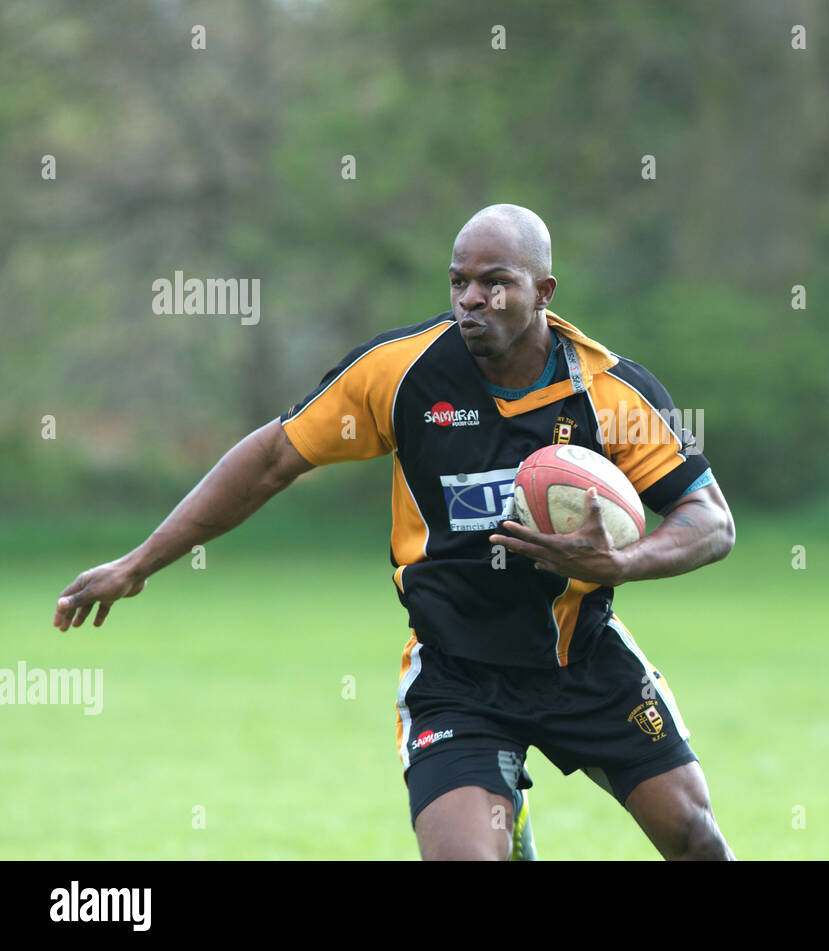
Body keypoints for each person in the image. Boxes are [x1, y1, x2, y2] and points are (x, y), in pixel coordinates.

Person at [53, 204, 736, 860]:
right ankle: (507, 817)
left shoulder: (610, 394)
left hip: (582, 660)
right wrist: (140, 561)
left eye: (495, 283)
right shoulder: (402, 373)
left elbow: (710, 521)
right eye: (459, 280)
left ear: (543, 290)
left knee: (696, 840)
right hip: (456, 671)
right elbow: (270, 460)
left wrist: (624, 561)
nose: (471, 298)